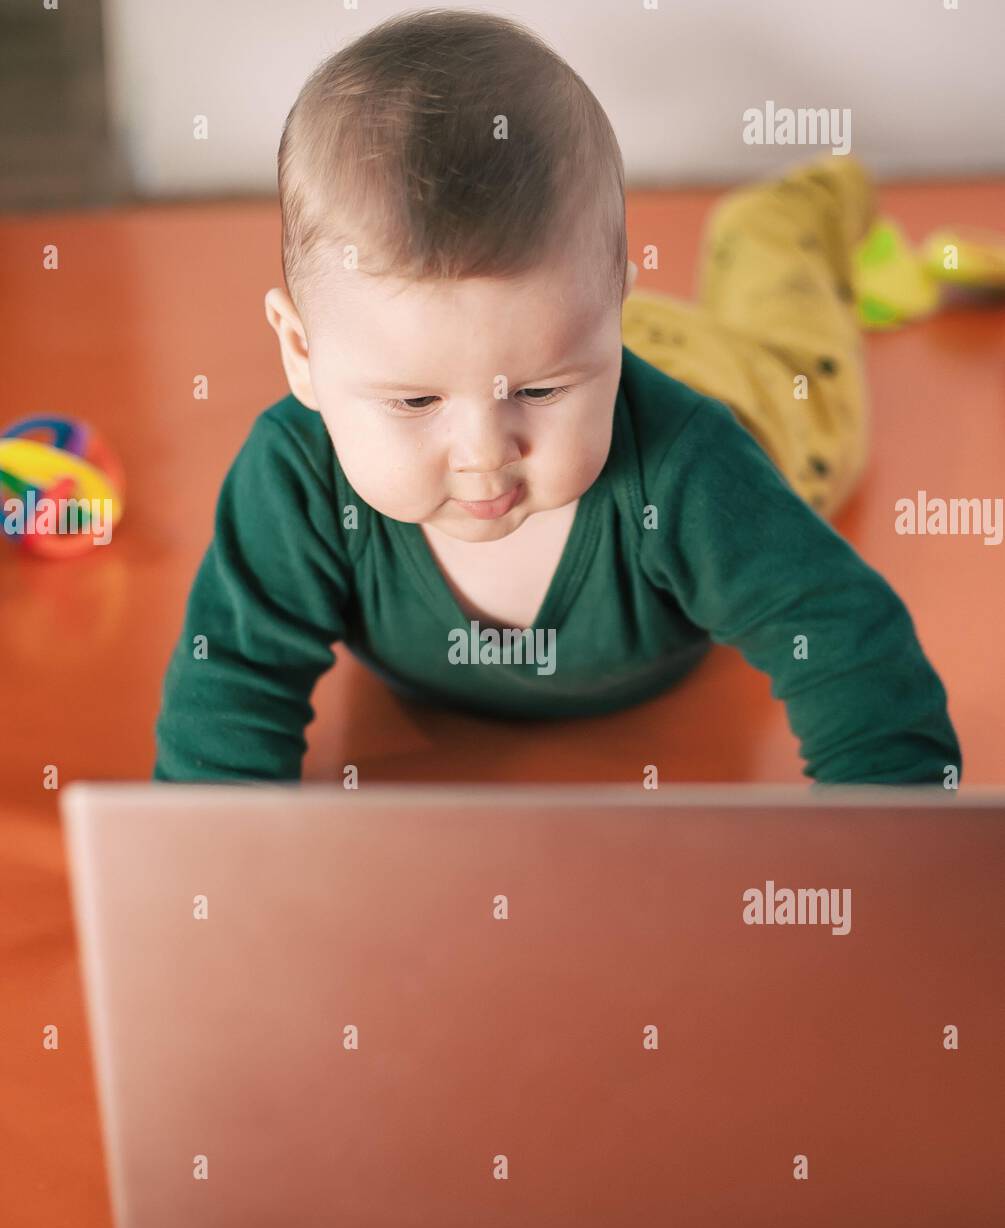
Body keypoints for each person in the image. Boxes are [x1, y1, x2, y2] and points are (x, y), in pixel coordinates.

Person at [153, 8, 960, 786]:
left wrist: (882, 858)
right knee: (519, 346)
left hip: (738, 381)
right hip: (562, 330)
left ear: (611, 317)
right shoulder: (294, 481)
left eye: (535, 392)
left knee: (781, 301)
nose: (483, 454)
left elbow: (846, 642)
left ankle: (786, 211)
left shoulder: (692, 469)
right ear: (301, 352)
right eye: (413, 403)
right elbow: (231, 684)